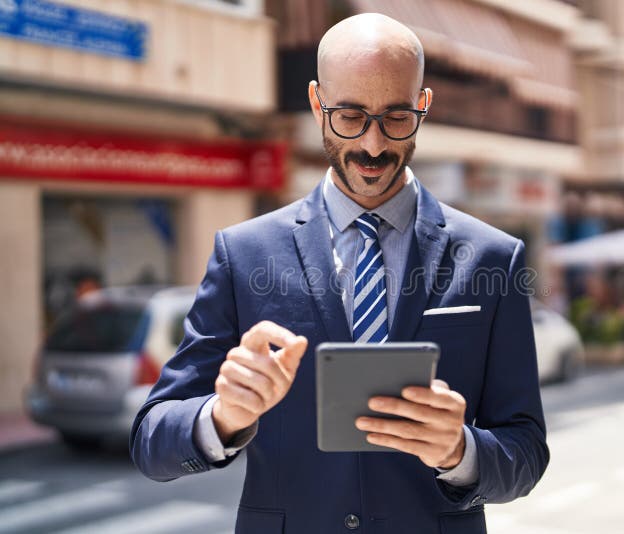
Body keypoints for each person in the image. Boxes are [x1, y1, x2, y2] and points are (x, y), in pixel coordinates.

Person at [130, 13, 548, 534]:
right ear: (315, 103)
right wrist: (221, 416)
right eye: (350, 116)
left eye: (396, 118)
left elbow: (527, 451)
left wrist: (462, 451)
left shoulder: (494, 257)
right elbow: (151, 440)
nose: (373, 146)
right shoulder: (243, 254)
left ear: (423, 105)